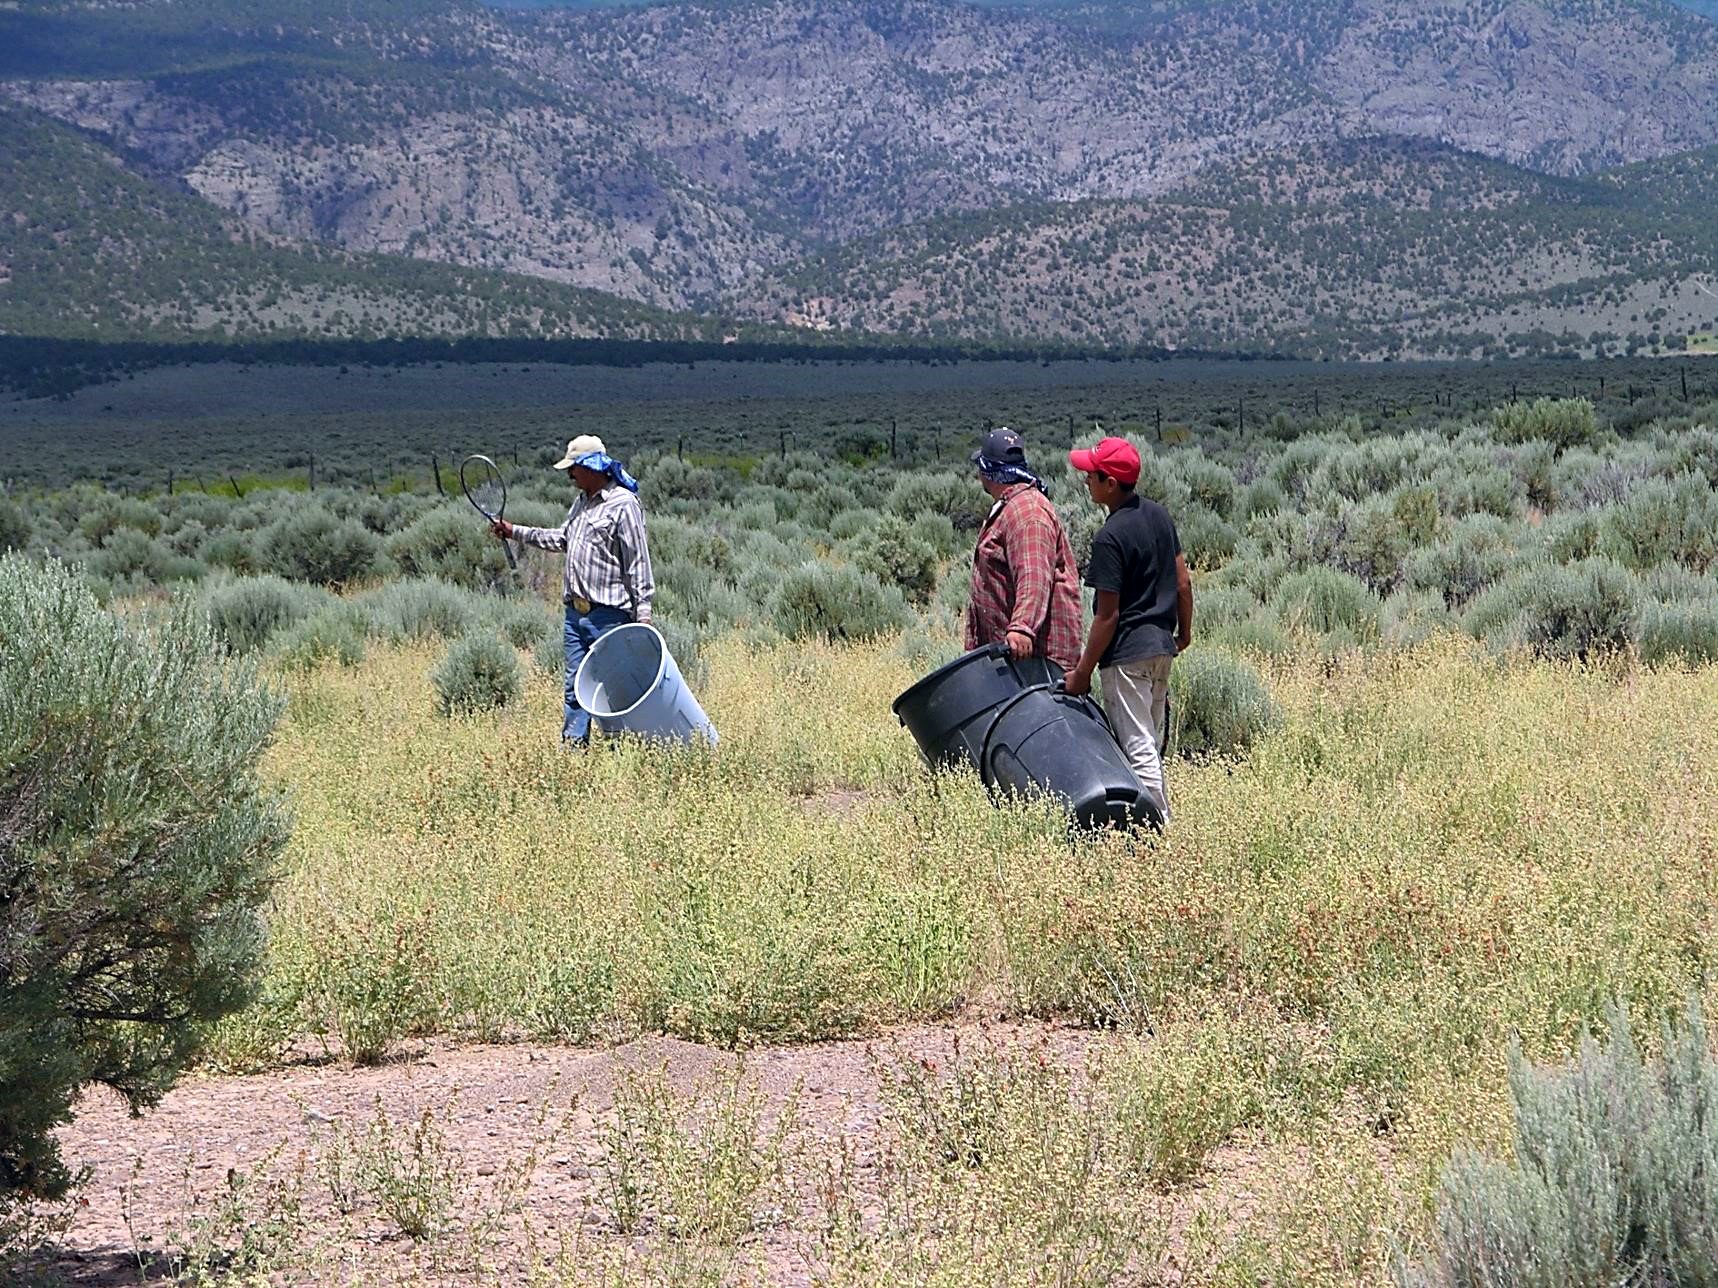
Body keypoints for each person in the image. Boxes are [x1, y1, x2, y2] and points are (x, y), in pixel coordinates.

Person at [1062, 436, 1193, 827]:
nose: (1086, 480)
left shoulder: (1109, 537)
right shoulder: (1159, 517)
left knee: (1138, 749)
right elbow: (1183, 582)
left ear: (1111, 484)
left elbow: (1107, 616)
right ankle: (1143, 829)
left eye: (1092, 475)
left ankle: (1159, 831)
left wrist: (1082, 673)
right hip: (1160, 648)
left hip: (1127, 657)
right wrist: (1182, 635)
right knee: (1149, 743)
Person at [492, 434, 654, 745]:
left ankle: (621, 750)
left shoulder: (623, 505)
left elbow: (638, 562)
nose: (569, 474)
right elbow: (561, 539)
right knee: (575, 686)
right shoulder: (580, 503)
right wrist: (514, 532)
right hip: (574, 616)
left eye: (574, 468)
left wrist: (643, 613)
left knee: (614, 687)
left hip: (609, 616)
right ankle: (574, 749)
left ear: (592, 467)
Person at [964, 427, 1083, 672]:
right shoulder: (1013, 506)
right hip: (1017, 661)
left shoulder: (1027, 512)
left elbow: (1034, 574)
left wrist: (1022, 628)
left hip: (1037, 663)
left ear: (988, 471)